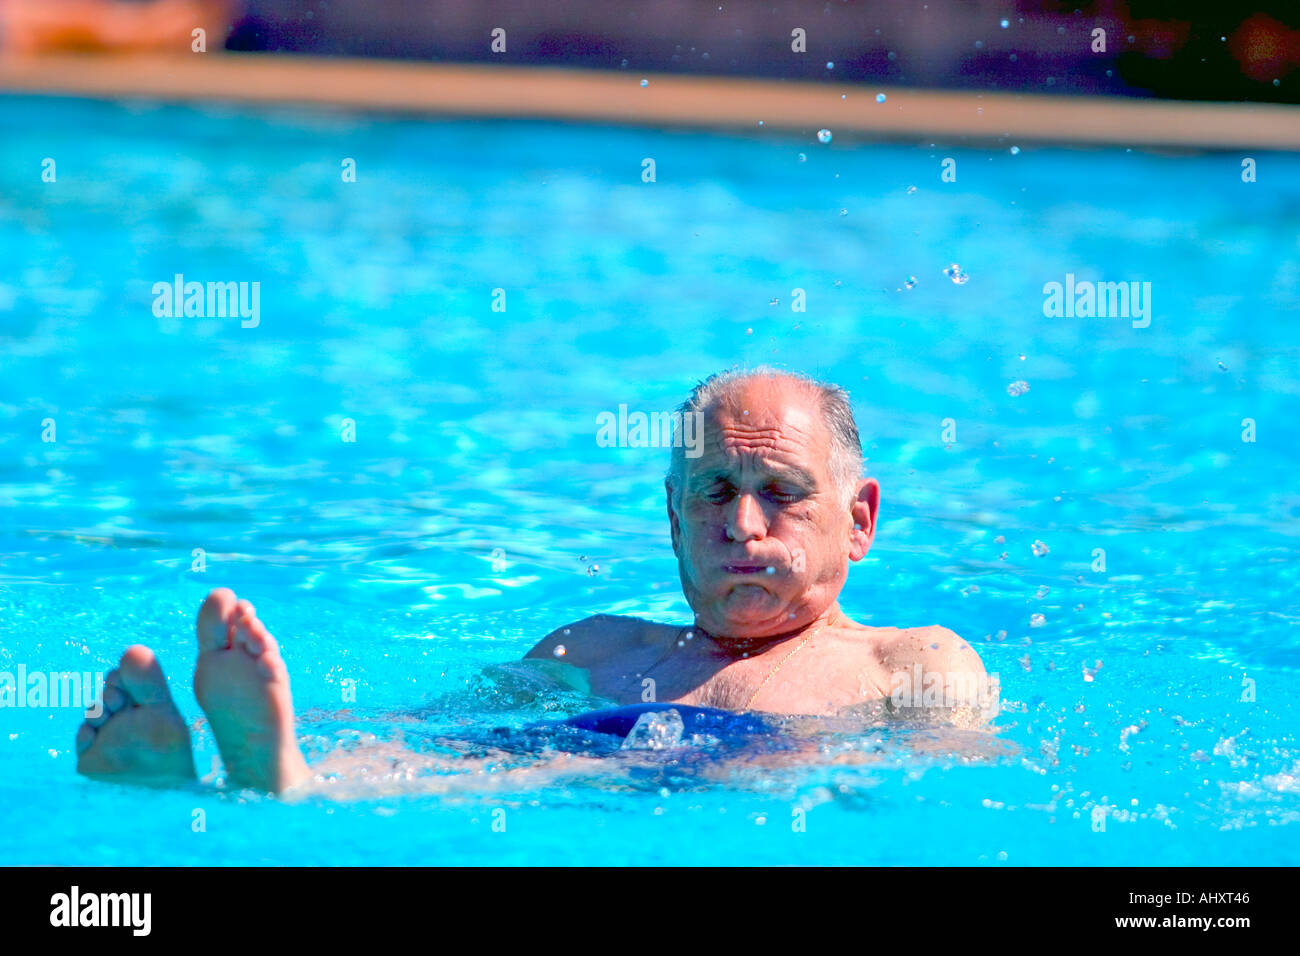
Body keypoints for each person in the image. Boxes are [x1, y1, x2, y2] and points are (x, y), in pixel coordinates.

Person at [75, 368, 994, 794]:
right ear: (671, 517)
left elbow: (953, 808)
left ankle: (266, 785)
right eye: (713, 492)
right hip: (573, 766)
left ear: (861, 519)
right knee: (493, 758)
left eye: (780, 495)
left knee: (542, 772)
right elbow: (424, 731)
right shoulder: (589, 647)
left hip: (740, 783)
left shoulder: (908, 664)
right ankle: (236, 768)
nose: (741, 526)